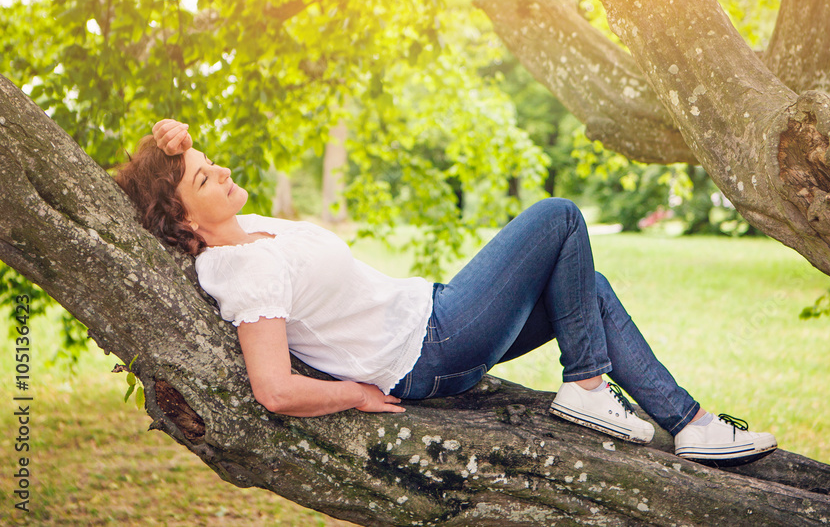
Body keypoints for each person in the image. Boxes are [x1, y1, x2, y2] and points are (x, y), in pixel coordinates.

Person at [114, 119, 777, 466]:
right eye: (204, 178)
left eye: (209, 164)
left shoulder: (240, 228)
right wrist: (354, 394)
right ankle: (588, 387)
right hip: (430, 347)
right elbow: (273, 388)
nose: (220, 170)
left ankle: (690, 425)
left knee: (587, 287)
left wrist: (170, 141)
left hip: (431, 319)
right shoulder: (242, 270)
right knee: (559, 217)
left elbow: (169, 173)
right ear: (188, 224)